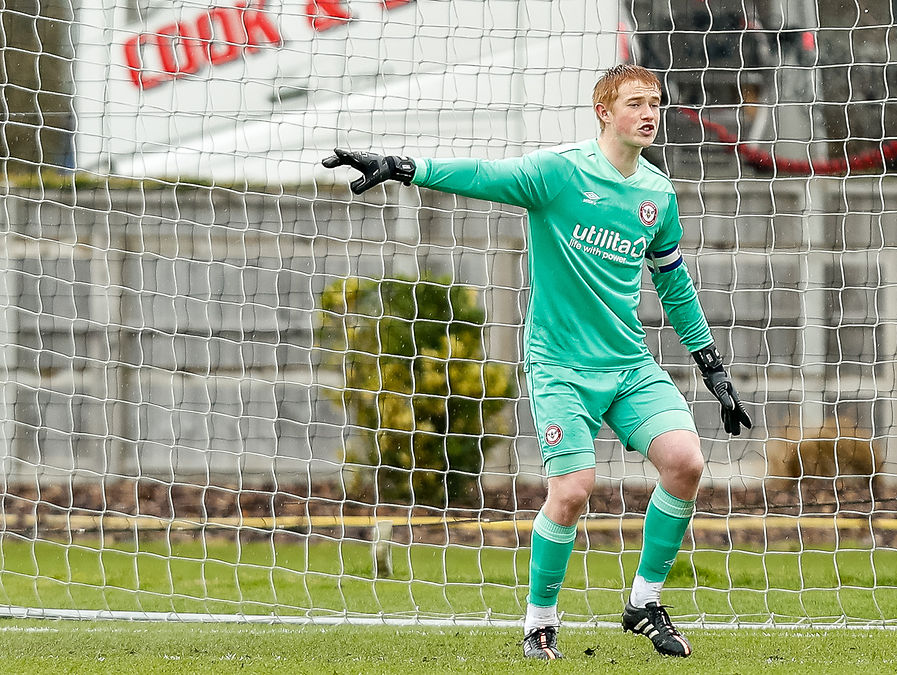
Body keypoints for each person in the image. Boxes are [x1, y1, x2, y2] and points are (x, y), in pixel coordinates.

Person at [322, 64, 751, 660]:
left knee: (685, 462)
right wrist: (404, 167)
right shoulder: (558, 174)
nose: (649, 113)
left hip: (628, 363)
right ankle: (540, 621)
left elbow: (673, 282)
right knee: (573, 491)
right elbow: (481, 175)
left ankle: (645, 601)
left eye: (654, 102)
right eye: (635, 103)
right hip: (560, 368)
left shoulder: (658, 193)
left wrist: (711, 365)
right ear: (604, 111)